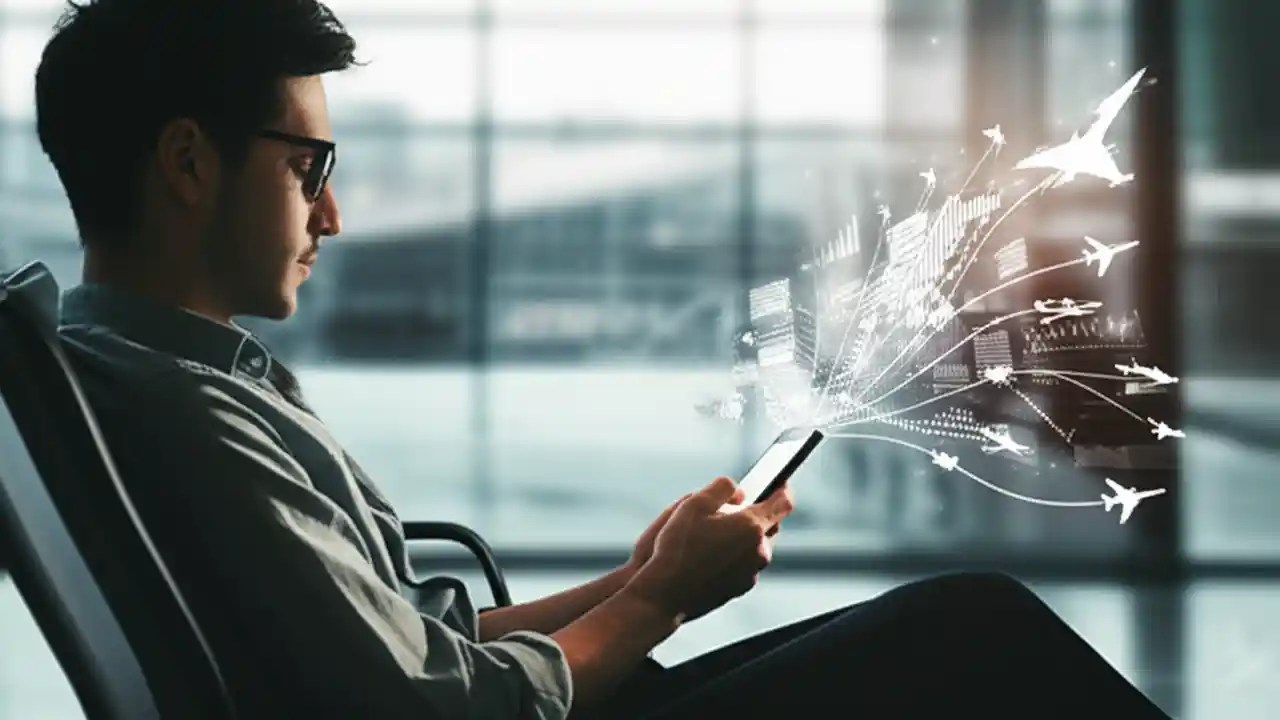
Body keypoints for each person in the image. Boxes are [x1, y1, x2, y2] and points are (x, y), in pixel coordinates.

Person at [30, 1, 1170, 718]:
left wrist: (636, 582)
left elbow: (401, 646)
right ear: (187, 163)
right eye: (305, 170)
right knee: (973, 630)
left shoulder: (144, 384)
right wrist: (666, 601)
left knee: (954, 630)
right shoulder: (194, 421)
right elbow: (431, 703)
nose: (329, 219)